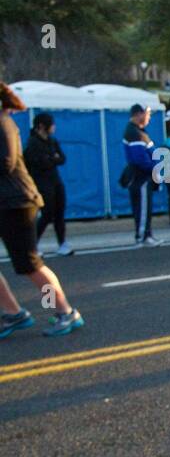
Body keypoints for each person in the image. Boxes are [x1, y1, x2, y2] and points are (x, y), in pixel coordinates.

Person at [0, 83, 83, 338]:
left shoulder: (3, 123)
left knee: (29, 264)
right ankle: (14, 313)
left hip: (17, 203)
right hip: (5, 202)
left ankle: (65, 312)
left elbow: (6, 162)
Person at [24, 113, 71, 256]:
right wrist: (52, 158)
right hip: (41, 183)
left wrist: (51, 158)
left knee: (59, 212)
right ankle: (32, 245)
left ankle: (62, 243)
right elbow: (39, 162)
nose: (54, 127)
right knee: (47, 213)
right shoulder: (32, 143)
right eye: (51, 124)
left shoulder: (52, 141)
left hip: (55, 180)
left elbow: (62, 158)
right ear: (42, 126)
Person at [123, 103, 163, 246]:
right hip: (141, 177)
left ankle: (146, 234)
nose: (148, 117)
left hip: (141, 176)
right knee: (143, 207)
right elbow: (140, 159)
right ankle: (143, 236)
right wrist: (155, 169)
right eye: (147, 114)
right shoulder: (135, 133)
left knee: (143, 207)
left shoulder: (138, 131)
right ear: (139, 114)